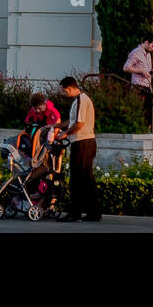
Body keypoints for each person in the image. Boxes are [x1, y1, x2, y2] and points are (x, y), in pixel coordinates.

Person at [56, 76, 100, 222]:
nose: (63, 93)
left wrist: (64, 134)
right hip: (87, 142)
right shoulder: (81, 100)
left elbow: (79, 124)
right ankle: (94, 213)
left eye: (63, 91)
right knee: (87, 179)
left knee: (76, 179)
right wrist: (56, 126)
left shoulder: (81, 100)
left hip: (82, 143)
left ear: (69, 88)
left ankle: (75, 213)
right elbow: (72, 121)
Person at [122, 34, 153, 127]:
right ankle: (142, 128)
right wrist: (142, 71)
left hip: (147, 86)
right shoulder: (136, 53)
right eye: (152, 46)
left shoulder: (148, 55)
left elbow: (147, 72)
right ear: (147, 42)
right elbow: (126, 68)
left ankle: (143, 128)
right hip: (138, 86)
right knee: (147, 110)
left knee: (152, 110)